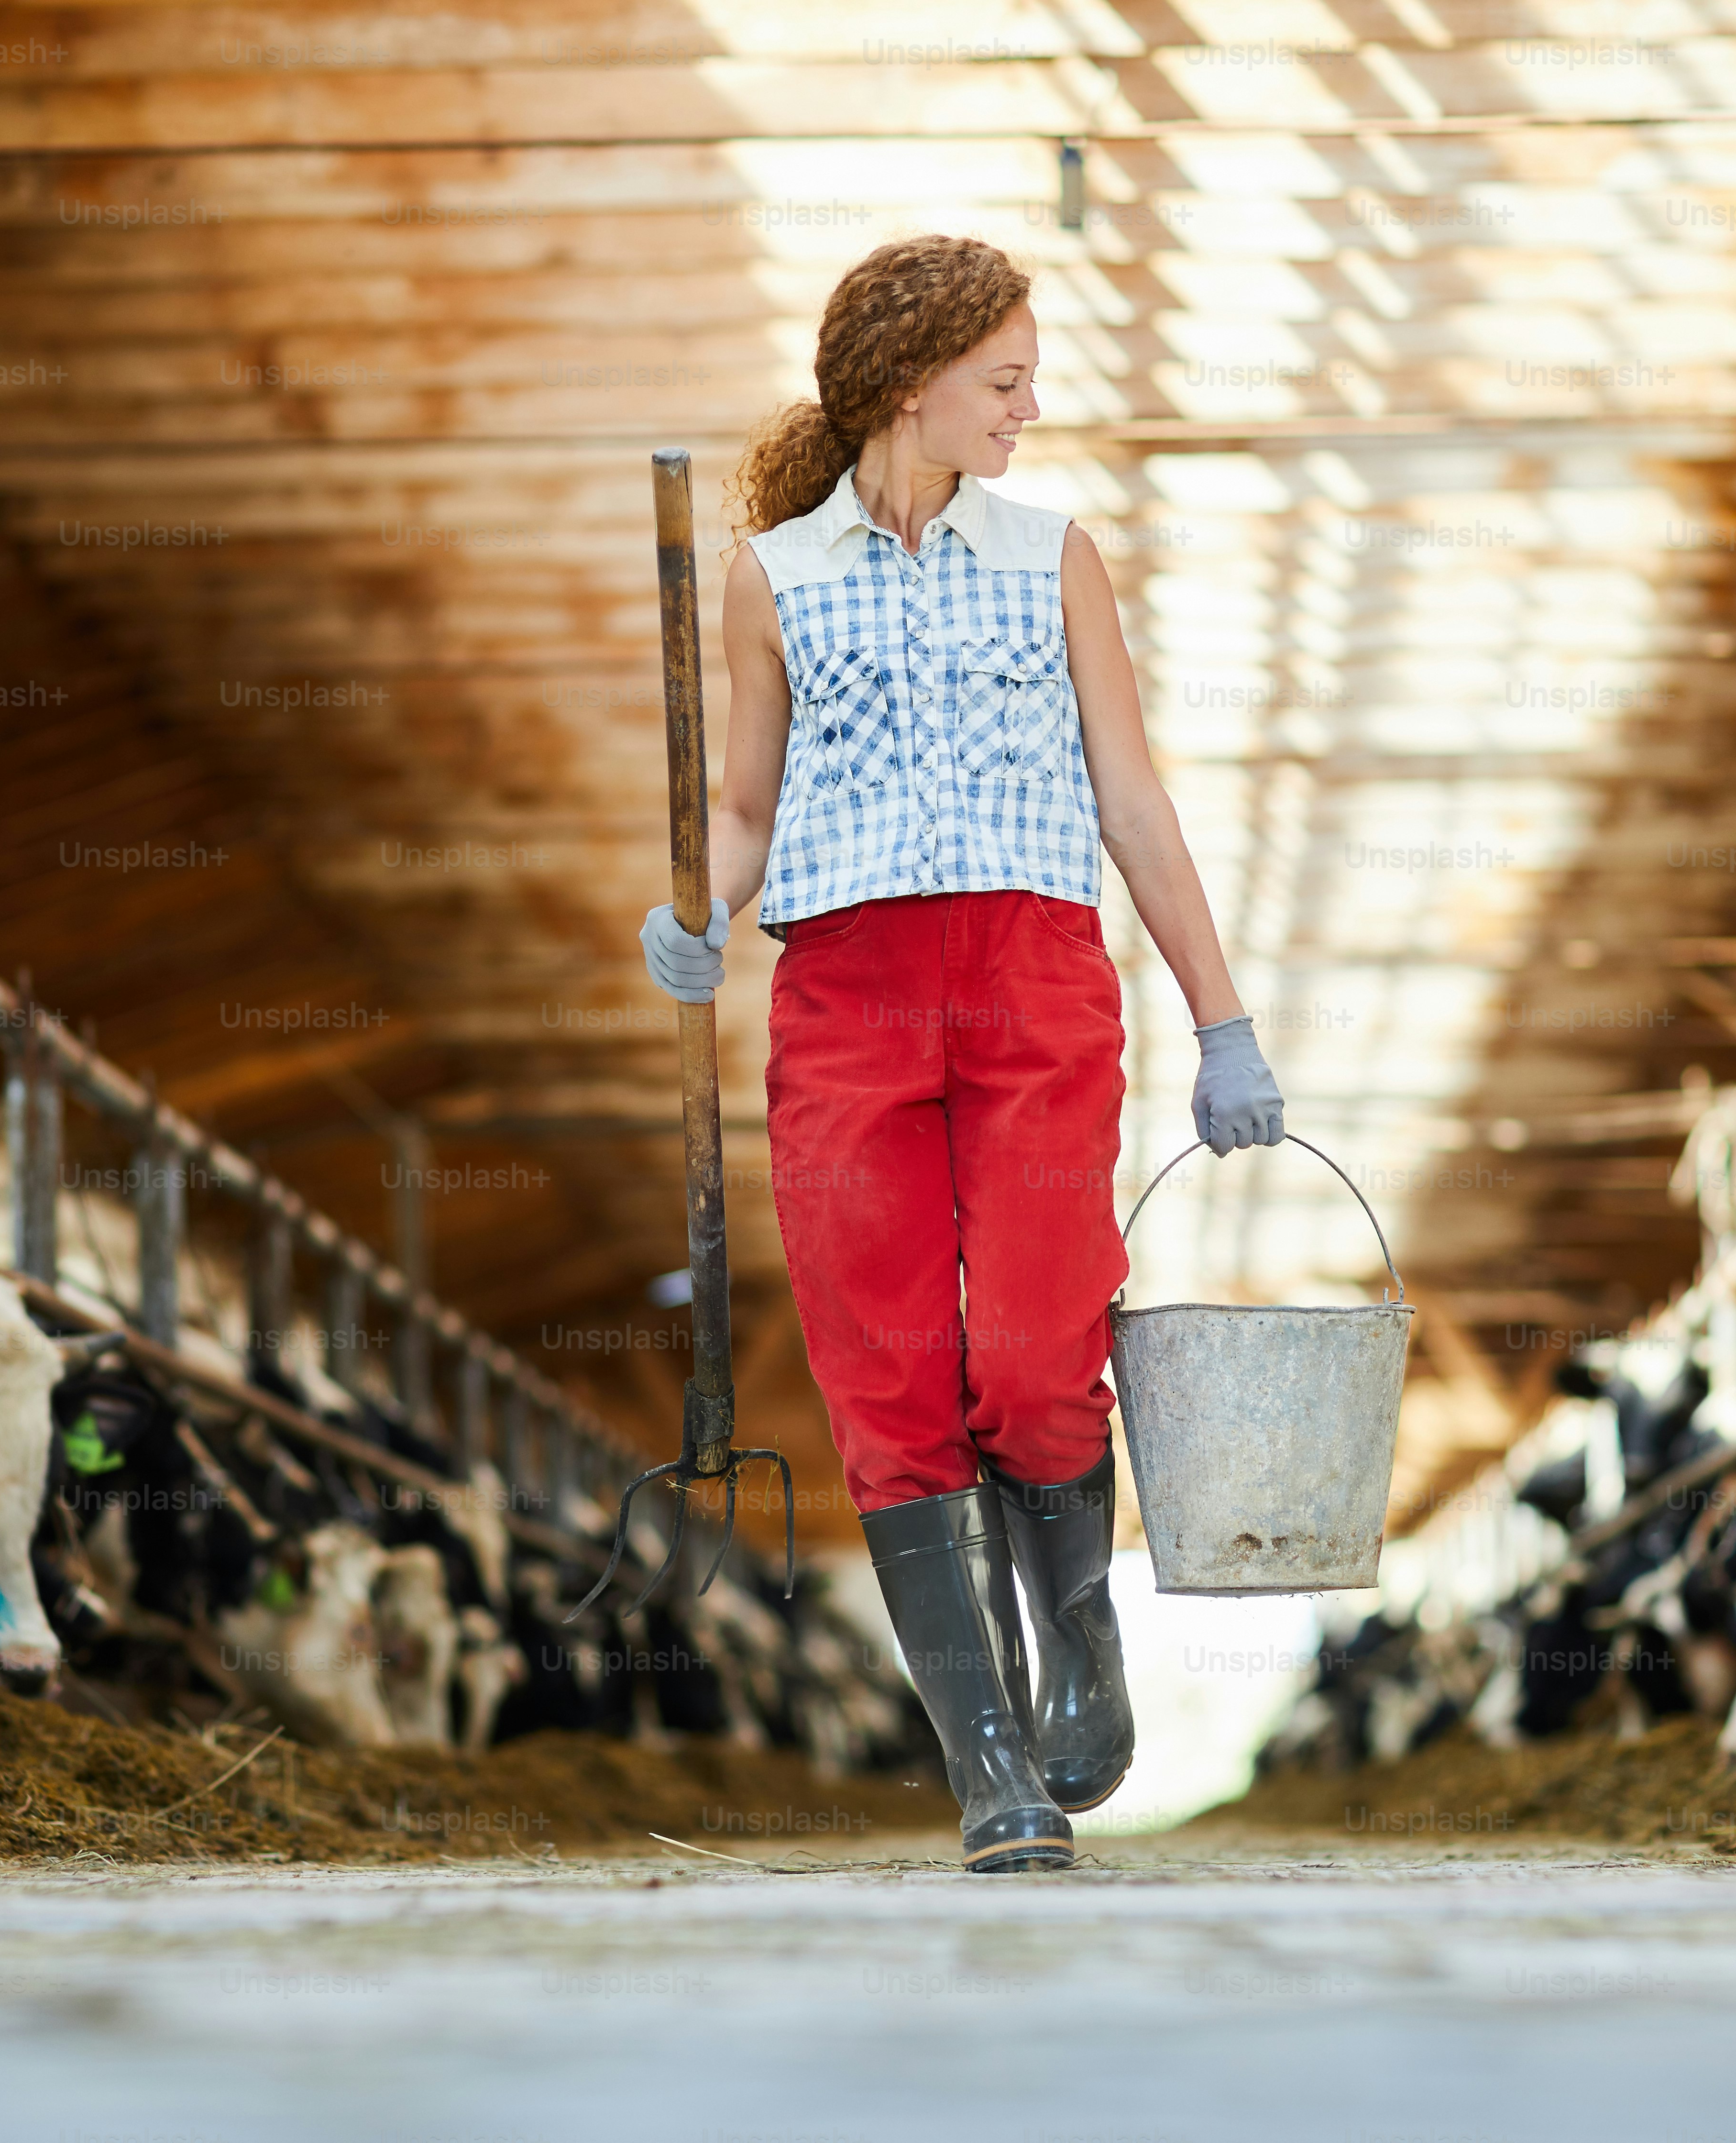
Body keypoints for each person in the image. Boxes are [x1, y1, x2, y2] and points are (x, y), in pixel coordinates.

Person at [638, 235, 1287, 1871]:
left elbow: (1132, 798)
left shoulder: (1051, 553)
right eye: (1004, 380)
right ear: (908, 382)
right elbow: (742, 806)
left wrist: (1224, 1022)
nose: (1029, 404)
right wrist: (694, 910)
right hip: (846, 992)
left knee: (1031, 1347)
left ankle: (1081, 1642)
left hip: (1033, 978)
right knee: (888, 1373)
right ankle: (988, 1761)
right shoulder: (771, 578)